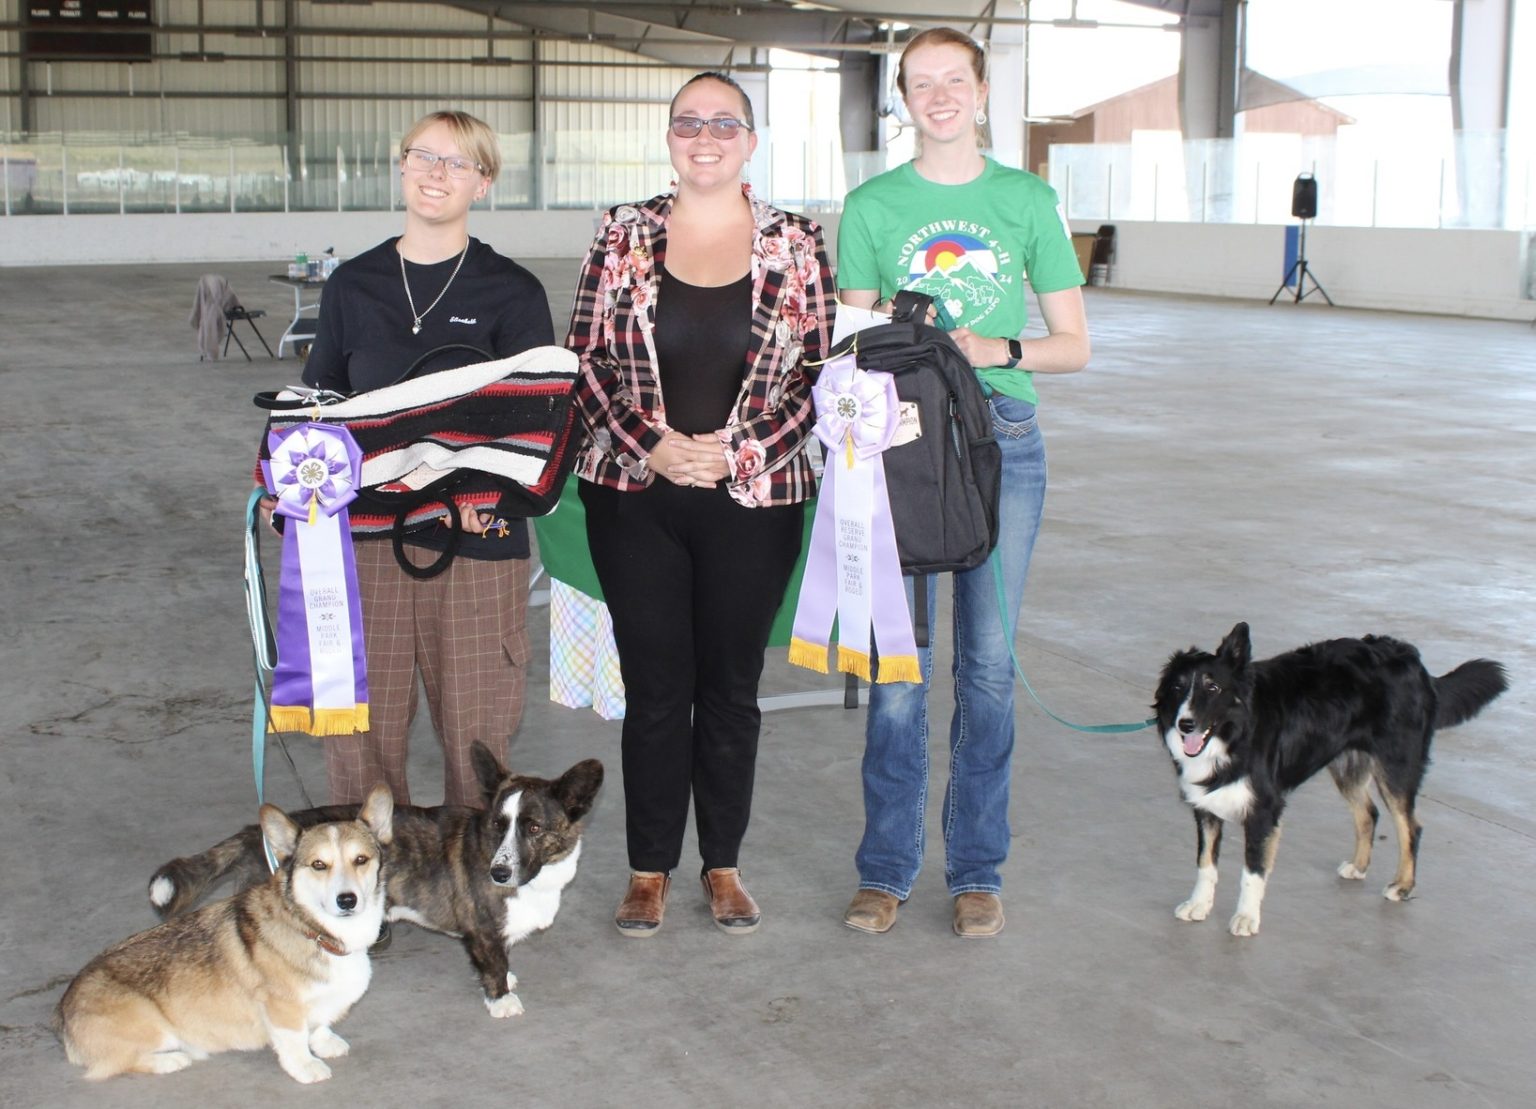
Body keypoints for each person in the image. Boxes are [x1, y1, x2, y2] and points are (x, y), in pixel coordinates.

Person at [566, 71, 835, 937]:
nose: (706, 136)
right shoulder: (621, 234)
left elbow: (820, 375)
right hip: (636, 495)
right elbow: (584, 362)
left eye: (725, 122)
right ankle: (649, 868)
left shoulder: (797, 243)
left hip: (752, 499)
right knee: (655, 689)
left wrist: (737, 452)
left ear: (751, 140)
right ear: (670, 138)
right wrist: (653, 444)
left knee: (730, 687)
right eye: (689, 123)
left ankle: (722, 863)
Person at [835, 29, 1091, 938]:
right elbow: (848, 350)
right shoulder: (870, 207)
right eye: (920, 82)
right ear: (902, 97)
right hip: (899, 451)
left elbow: (1075, 344)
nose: (938, 95)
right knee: (899, 675)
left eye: (955, 79)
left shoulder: (1027, 200)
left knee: (986, 669)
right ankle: (886, 870)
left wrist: (995, 350)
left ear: (982, 92)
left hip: (1003, 443)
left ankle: (978, 868)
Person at [292, 110, 555, 807]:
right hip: (367, 538)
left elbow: (541, 431)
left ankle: (474, 885)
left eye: (458, 162)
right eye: (424, 156)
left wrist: (472, 490)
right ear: (401, 165)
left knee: (477, 728)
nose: (437, 173)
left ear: (485, 182)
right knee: (362, 733)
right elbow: (320, 403)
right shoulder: (353, 286)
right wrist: (288, 483)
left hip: (475, 538)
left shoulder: (514, 292)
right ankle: (368, 889)